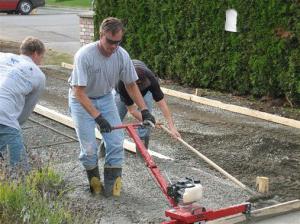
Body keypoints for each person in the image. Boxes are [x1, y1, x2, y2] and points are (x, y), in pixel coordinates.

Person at [68, 17, 155, 197]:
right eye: (110, 42)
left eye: (118, 42)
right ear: (101, 35)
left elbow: (131, 85)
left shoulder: (121, 55)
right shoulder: (85, 55)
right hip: (81, 100)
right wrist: (97, 117)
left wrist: (144, 110)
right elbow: (78, 92)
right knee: (89, 148)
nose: (114, 46)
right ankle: (95, 185)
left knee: (116, 142)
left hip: (106, 97)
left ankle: (113, 187)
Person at [0, 36, 46, 171]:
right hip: (3, 117)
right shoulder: (38, 75)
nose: (40, 62)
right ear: (36, 53)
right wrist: (14, 128)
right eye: (41, 57)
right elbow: (24, 112)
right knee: (19, 172)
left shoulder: (3, 56)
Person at [114, 59, 181, 149]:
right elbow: (132, 110)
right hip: (124, 91)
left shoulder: (150, 79)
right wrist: (150, 121)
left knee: (147, 117)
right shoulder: (122, 83)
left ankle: (142, 150)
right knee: (115, 120)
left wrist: (172, 127)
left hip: (146, 90)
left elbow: (162, 104)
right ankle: (107, 146)